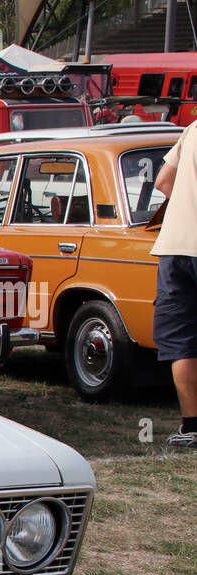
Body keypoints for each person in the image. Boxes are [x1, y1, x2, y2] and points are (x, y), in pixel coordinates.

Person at [151, 126, 197, 448]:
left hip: (176, 245)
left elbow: (163, 182)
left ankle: (191, 427)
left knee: (182, 339)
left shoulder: (193, 130)